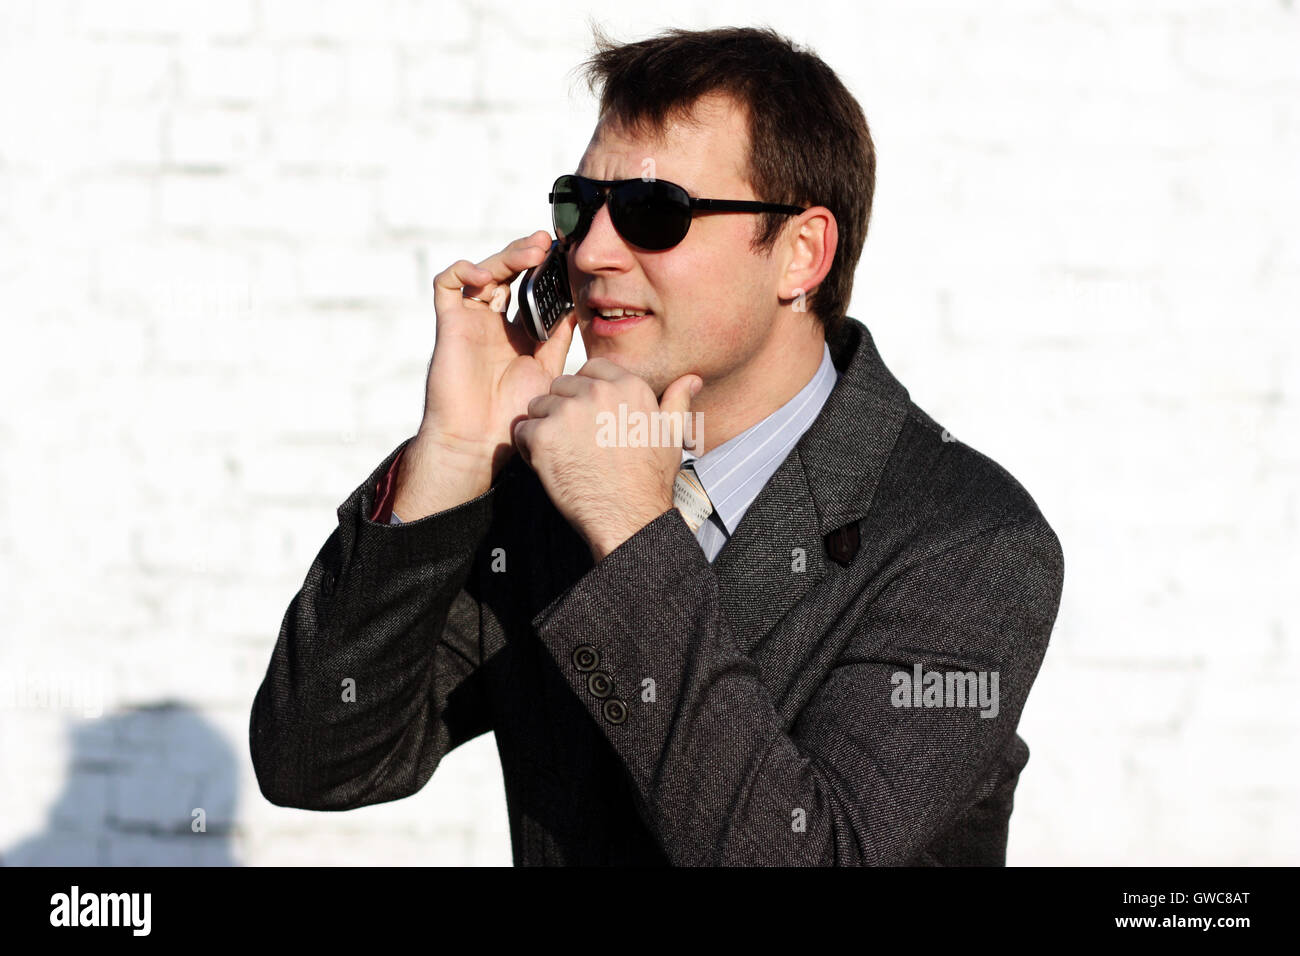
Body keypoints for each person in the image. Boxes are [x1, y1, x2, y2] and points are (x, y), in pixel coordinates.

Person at [250, 25, 1064, 865]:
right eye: (581, 206)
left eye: (652, 213)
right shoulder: (543, 482)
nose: (593, 252)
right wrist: (454, 453)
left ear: (801, 254)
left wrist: (631, 538)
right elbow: (317, 759)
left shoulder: (971, 541)